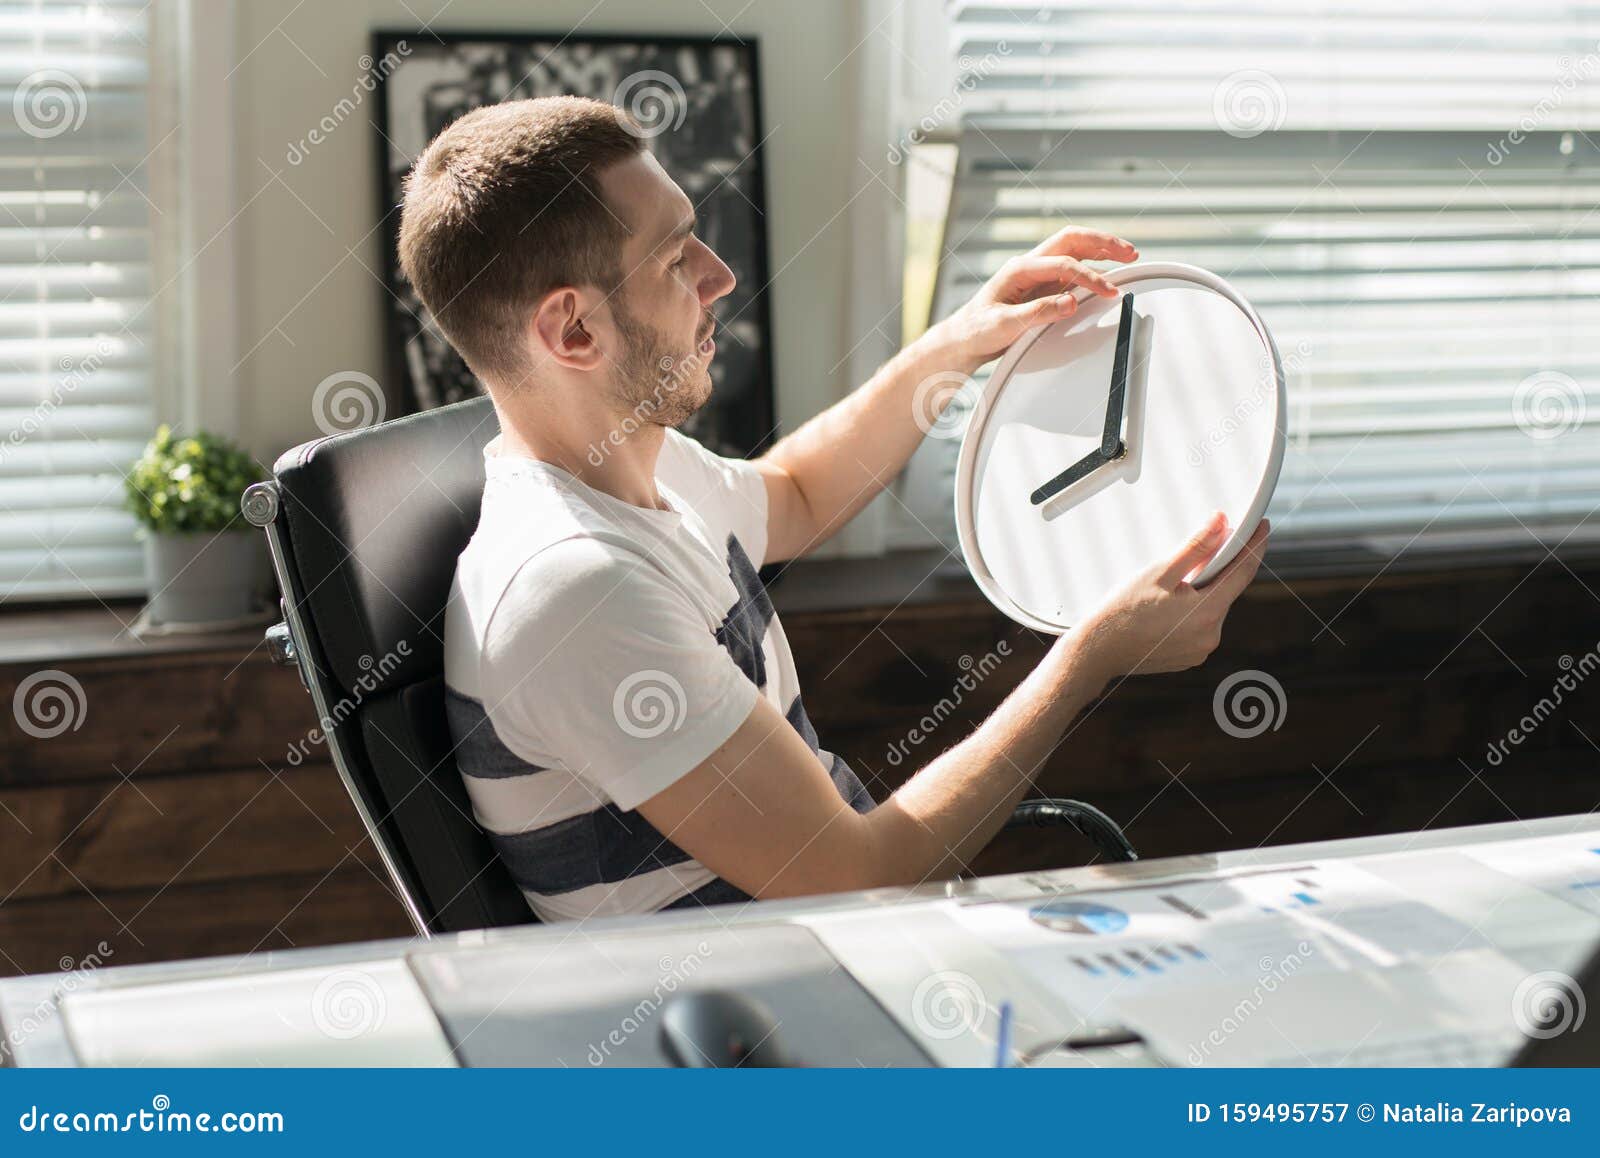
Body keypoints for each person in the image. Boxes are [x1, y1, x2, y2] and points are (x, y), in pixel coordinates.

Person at [400, 96, 1269, 922]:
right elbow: (855, 876)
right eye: (675, 259)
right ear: (574, 333)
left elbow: (800, 493)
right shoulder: (574, 591)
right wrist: (1092, 657)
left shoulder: (633, 469)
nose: (719, 277)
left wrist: (958, 342)